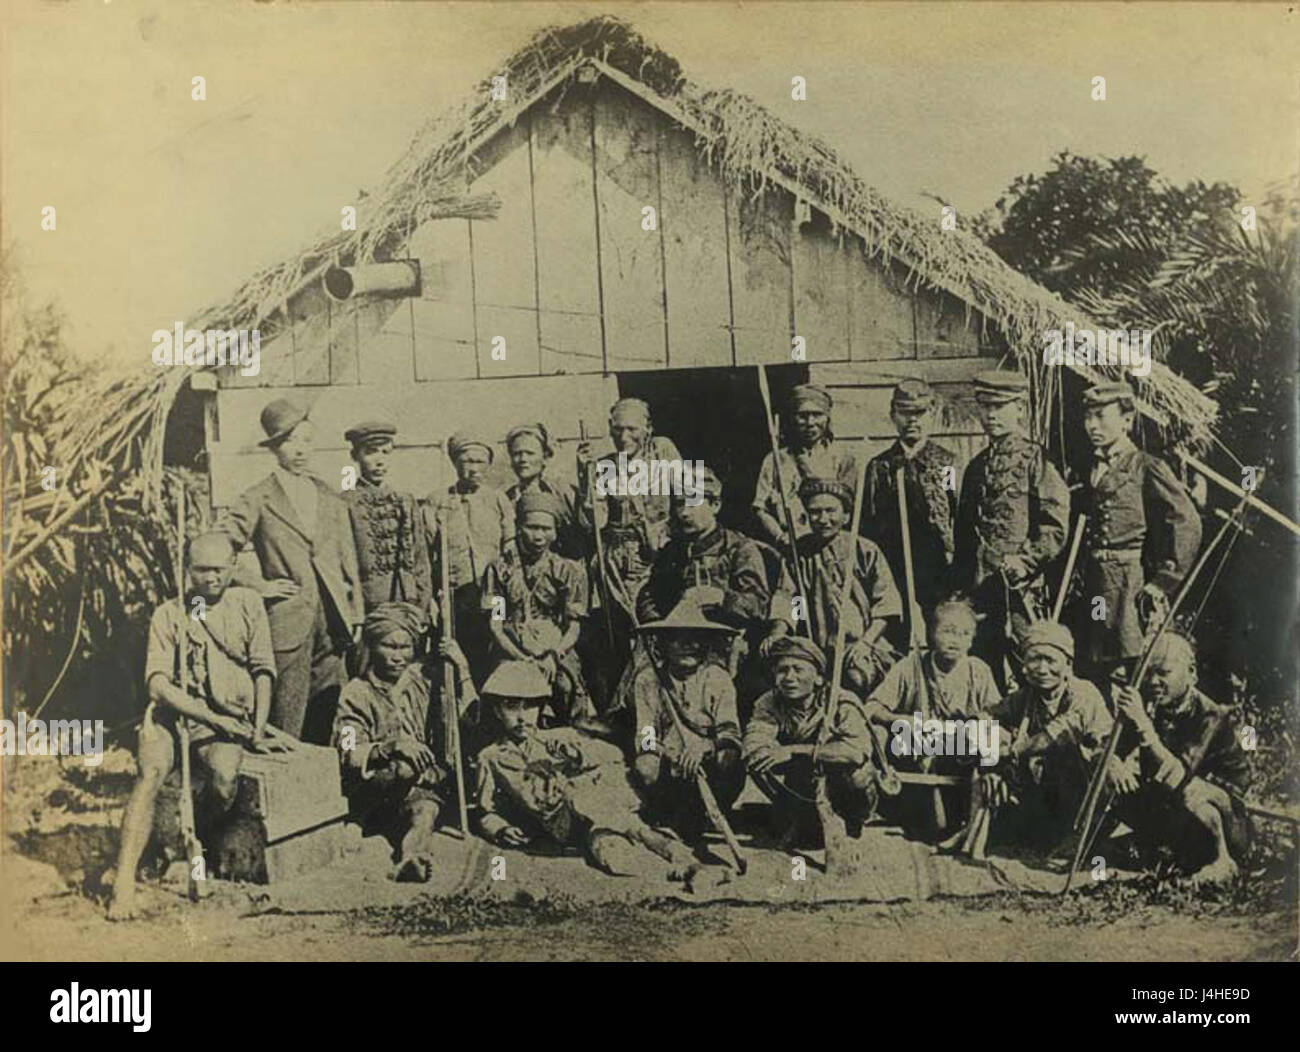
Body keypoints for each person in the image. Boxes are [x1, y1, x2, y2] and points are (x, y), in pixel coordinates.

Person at [109, 532, 283, 920]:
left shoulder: (248, 604)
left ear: (233, 568)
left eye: (220, 569)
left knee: (224, 779)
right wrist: (210, 717)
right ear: (187, 570)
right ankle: (123, 881)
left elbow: (263, 670)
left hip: (223, 721)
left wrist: (256, 728)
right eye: (201, 569)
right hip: (174, 716)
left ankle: (190, 835)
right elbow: (157, 685)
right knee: (151, 773)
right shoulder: (169, 614)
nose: (211, 578)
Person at [473, 661, 719, 889]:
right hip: (561, 824)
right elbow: (486, 810)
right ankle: (680, 872)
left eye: (529, 707)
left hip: (594, 812)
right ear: (496, 710)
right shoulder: (491, 756)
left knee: (616, 841)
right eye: (511, 706)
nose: (520, 716)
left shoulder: (561, 737)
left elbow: (612, 756)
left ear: (540, 708)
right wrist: (500, 829)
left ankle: (687, 863)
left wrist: (576, 755)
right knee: (616, 843)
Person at [218, 397, 363, 743]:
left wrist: (355, 610)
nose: (299, 450)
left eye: (305, 440)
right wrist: (259, 585)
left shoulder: (328, 495)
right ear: (274, 449)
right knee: (287, 717)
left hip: (334, 623)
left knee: (330, 714)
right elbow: (216, 548)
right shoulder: (259, 496)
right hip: (288, 622)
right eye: (289, 442)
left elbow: (347, 556)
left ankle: (325, 793)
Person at [332, 603, 475, 882]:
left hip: (416, 788)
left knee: (426, 813)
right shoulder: (355, 692)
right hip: (373, 787)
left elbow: (467, 722)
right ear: (373, 647)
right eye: (389, 646)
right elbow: (347, 748)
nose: (398, 657)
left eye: (405, 648)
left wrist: (462, 667)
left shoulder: (425, 682)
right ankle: (357, 818)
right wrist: (390, 747)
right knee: (404, 766)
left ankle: (414, 858)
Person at [1078, 381, 1202, 675]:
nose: (1092, 425)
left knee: (1135, 664)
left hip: (1130, 584)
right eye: (1087, 417)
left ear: (1126, 420)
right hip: (1096, 583)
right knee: (1097, 662)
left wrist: (1163, 580)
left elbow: (1186, 521)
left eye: (1101, 416)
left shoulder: (1147, 466)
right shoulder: (1091, 468)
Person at [952, 371, 1068, 685]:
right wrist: (962, 588)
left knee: (1030, 661)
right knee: (982, 663)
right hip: (982, 586)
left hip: (1022, 587)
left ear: (1019, 409)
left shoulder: (1037, 460)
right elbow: (963, 533)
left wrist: (1027, 560)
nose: (991, 415)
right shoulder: (976, 466)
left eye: (1000, 406)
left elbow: (1054, 523)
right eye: (985, 406)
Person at [1108, 633, 1251, 884]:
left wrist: (1143, 726)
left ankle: (1222, 861)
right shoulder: (1153, 707)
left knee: (1191, 792)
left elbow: (1181, 776)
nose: (1153, 682)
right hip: (1171, 802)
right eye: (1149, 673)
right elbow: (1110, 746)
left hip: (1224, 815)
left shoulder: (1211, 716)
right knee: (1118, 788)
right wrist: (1114, 764)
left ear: (1191, 673)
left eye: (1164, 673)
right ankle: (1162, 849)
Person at [863, 597, 1001, 836]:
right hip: (915, 744)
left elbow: (997, 714)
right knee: (878, 734)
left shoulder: (978, 670)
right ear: (931, 633)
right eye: (948, 631)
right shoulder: (912, 665)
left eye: (964, 634)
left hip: (959, 752)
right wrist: (898, 720)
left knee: (992, 741)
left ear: (971, 640)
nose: (955, 640)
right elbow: (872, 706)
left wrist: (977, 723)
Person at [982, 620, 1122, 851]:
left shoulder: (1082, 692)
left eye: (1050, 660)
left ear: (1067, 663)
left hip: (1090, 785)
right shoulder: (1027, 697)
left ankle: (1081, 836)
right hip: (1048, 789)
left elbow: (1054, 735)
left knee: (1064, 756)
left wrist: (1011, 750)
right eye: (1034, 659)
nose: (1042, 668)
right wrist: (992, 734)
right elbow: (989, 714)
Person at [770, 476, 902, 698]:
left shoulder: (864, 549)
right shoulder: (798, 554)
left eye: (831, 511)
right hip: (816, 645)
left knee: (856, 678)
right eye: (815, 512)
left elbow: (885, 605)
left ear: (847, 515)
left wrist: (865, 643)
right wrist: (778, 632)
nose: (823, 519)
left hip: (862, 644)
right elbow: (789, 599)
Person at [629, 594, 745, 841]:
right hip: (669, 761)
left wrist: (705, 748)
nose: (688, 645)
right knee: (645, 766)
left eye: (695, 639)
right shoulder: (648, 681)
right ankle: (667, 814)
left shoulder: (717, 678)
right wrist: (668, 754)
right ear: (663, 645)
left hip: (709, 761)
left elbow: (730, 733)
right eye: (678, 639)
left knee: (729, 758)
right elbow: (645, 735)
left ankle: (713, 810)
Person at [743, 636, 878, 847]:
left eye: (798, 670)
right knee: (758, 765)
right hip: (800, 778)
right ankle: (792, 809)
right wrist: (763, 751)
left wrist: (794, 750)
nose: (789, 678)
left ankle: (852, 820)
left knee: (858, 774)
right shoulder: (769, 702)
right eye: (782, 670)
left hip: (838, 778)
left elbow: (856, 751)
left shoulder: (842, 702)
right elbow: (754, 743)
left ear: (818, 678)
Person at [481, 490, 594, 728]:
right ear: (519, 527)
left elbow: (574, 625)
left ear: (555, 532)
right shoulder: (500, 570)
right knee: (508, 691)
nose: (539, 536)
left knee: (565, 684)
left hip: (555, 648)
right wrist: (522, 658)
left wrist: (554, 655)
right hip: (510, 648)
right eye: (532, 527)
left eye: (546, 529)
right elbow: (496, 625)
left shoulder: (567, 570)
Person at [863, 379, 957, 631]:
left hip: (936, 565)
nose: (912, 420)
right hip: (892, 564)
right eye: (905, 413)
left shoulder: (947, 464)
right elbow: (868, 523)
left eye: (920, 413)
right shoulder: (879, 467)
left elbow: (955, 511)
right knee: (897, 629)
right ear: (893, 415)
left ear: (932, 414)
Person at [425, 431, 514, 687]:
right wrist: (432, 598)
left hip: (495, 594)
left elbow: (510, 549)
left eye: (480, 462)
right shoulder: (438, 501)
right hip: (454, 595)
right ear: (455, 462)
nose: (474, 468)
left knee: (497, 651)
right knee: (457, 655)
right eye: (468, 461)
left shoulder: (498, 500)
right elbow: (426, 554)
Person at [752, 383, 858, 550]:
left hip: (831, 546)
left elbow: (850, 509)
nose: (810, 422)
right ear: (792, 418)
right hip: (790, 545)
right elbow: (760, 509)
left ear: (827, 417)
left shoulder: (843, 458)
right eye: (802, 416)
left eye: (817, 415)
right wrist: (780, 536)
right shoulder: (775, 460)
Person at [342, 420, 432, 615]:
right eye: (371, 452)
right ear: (355, 456)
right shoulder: (345, 503)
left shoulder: (405, 500)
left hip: (409, 605)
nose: (379, 460)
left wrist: (422, 607)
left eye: (385, 452)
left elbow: (420, 560)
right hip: (369, 608)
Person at [504, 422, 583, 560]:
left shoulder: (563, 492)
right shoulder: (506, 498)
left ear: (545, 458)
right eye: (517, 454)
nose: (523, 459)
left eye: (530, 453)